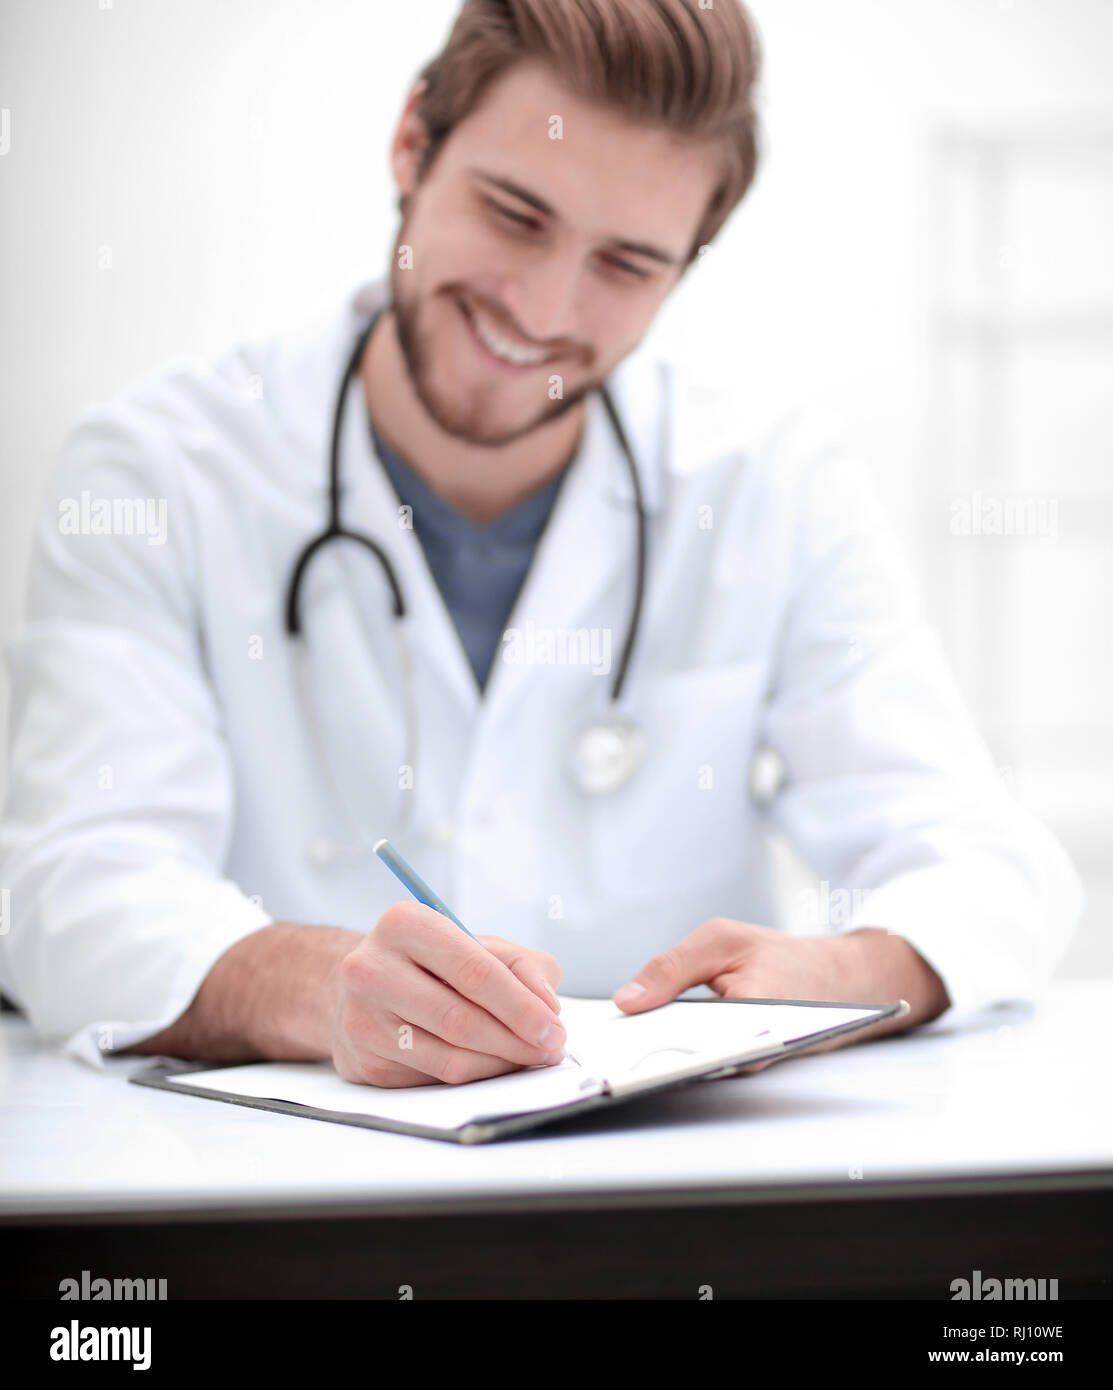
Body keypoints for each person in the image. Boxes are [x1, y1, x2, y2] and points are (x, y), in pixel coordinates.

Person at [0, 0, 1082, 1088]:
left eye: (626, 264)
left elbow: (987, 867)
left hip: (664, 1205)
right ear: (413, 143)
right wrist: (321, 988)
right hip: (285, 1211)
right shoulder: (157, 472)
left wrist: (842, 969)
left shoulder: (770, 485)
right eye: (515, 214)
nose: (543, 308)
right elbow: (75, 887)